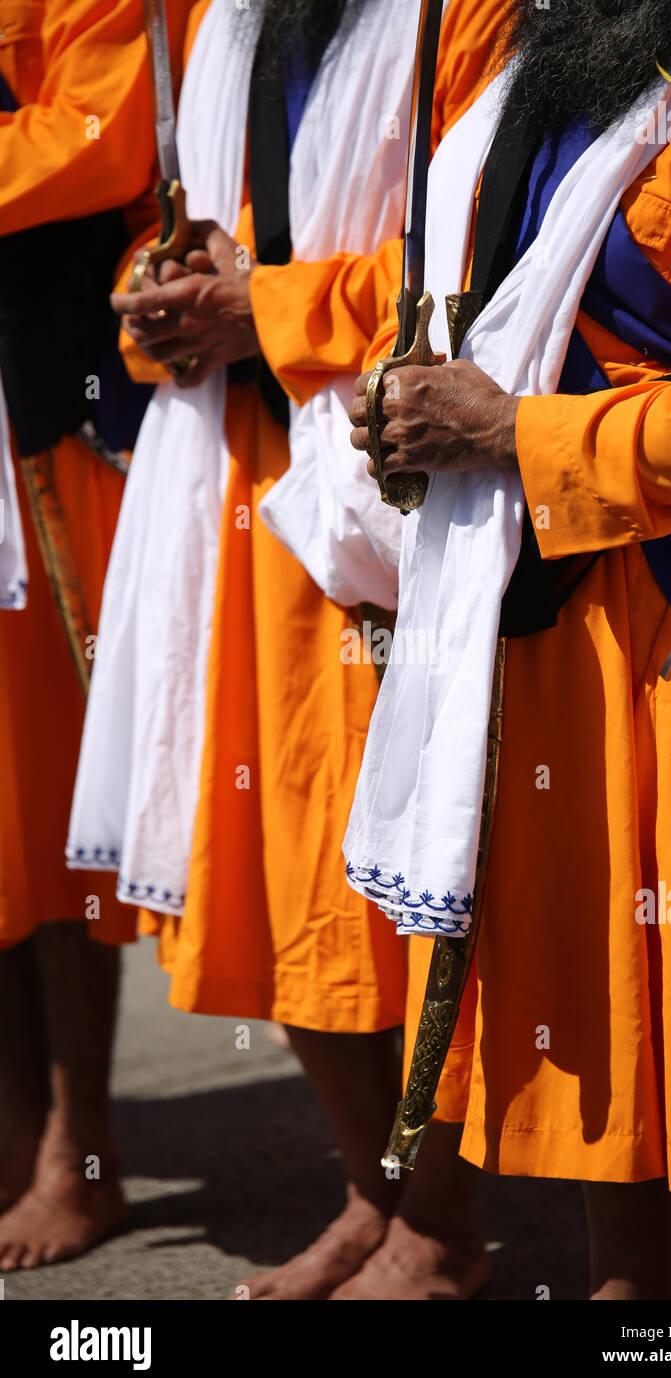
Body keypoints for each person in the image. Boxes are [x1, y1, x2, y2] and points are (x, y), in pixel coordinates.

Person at [347, 0, 671, 1299]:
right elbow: (479, 308)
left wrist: (510, 434)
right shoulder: (550, 80)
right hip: (538, 611)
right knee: (602, 995)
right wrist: (416, 417)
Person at [79, 0, 510, 1300]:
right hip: (227, 484)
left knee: (396, 875)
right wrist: (158, 305)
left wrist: (258, 305)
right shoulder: (223, 19)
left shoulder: (461, 18)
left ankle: (439, 1221)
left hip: (377, 487)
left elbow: (483, 251)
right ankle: (363, 1195)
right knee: (281, 864)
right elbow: (189, 220)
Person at [0, 0, 193, 1272]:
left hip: (55, 413)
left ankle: (79, 1145)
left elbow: (100, 134)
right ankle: (18, 1133)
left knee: (57, 807)